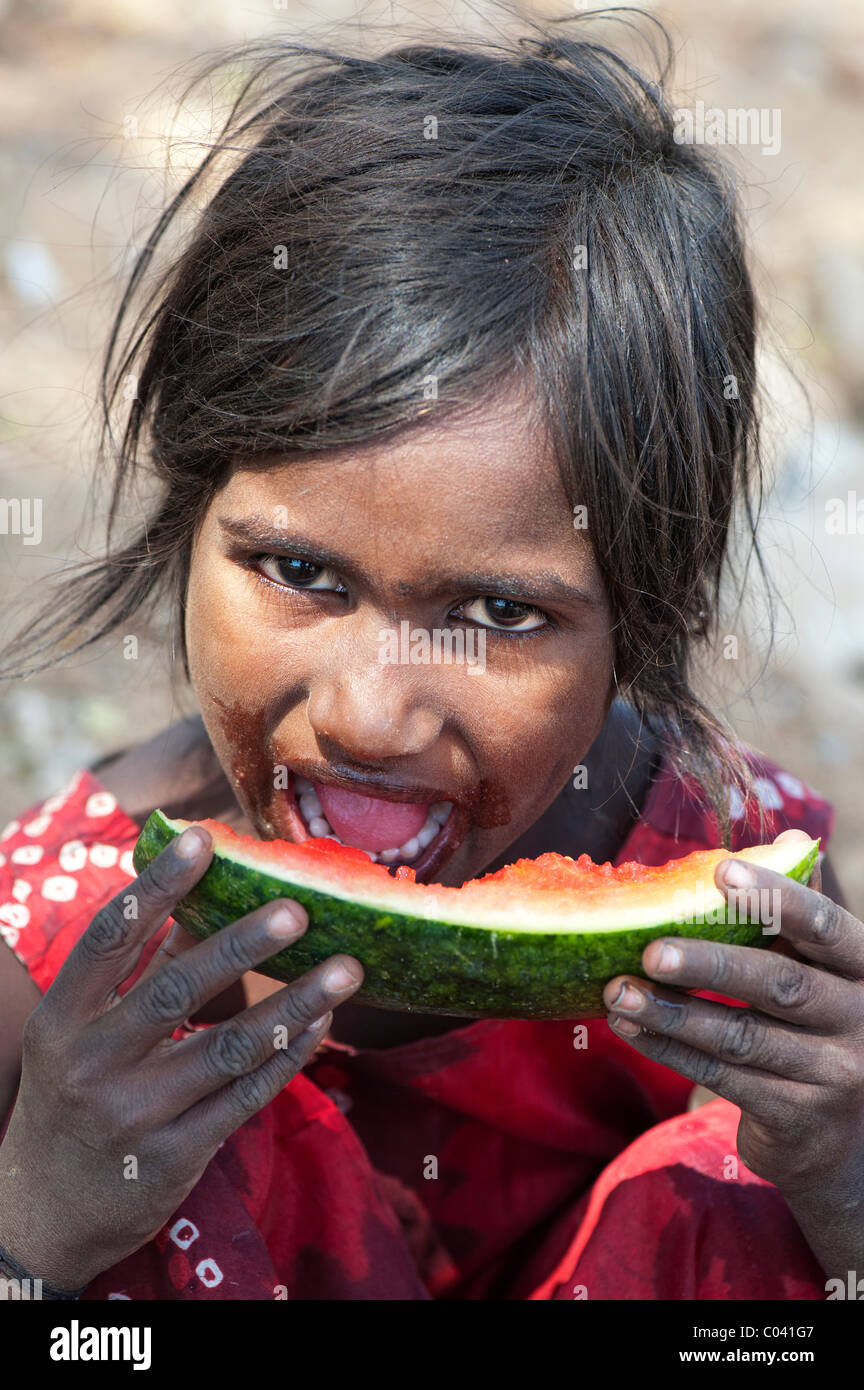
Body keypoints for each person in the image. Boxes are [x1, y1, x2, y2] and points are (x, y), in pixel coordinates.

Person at [0, 13, 859, 1301]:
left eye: (500, 615)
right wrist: (35, 1234)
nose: (368, 718)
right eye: (299, 572)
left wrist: (848, 1191)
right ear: (189, 513)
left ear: (646, 619)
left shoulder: (731, 884)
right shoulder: (45, 959)